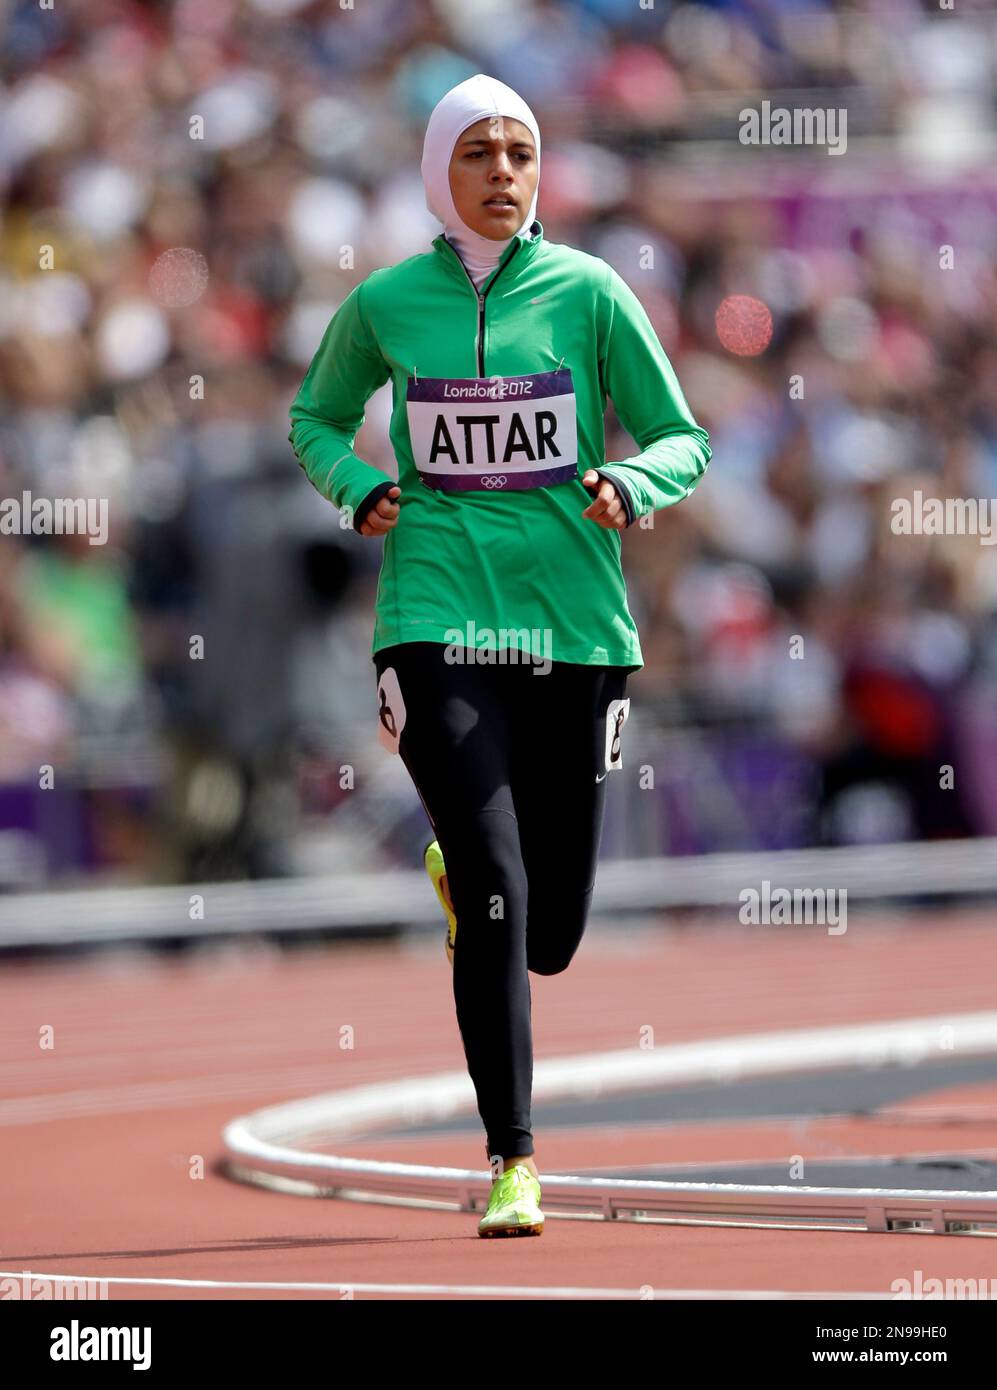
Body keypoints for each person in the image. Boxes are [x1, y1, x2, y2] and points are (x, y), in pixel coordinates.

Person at [288, 73, 711, 1237]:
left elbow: (683, 433)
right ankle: (512, 1158)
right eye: (478, 152)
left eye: (521, 151)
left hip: (574, 626)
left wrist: (631, 481)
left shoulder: (590, 292)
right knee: (494, 893)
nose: (503, 172)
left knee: (556, 934)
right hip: (433, 619)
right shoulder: (384, 301)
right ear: (439, 170)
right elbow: (313, 417)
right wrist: (361, 484)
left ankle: (481, 888)